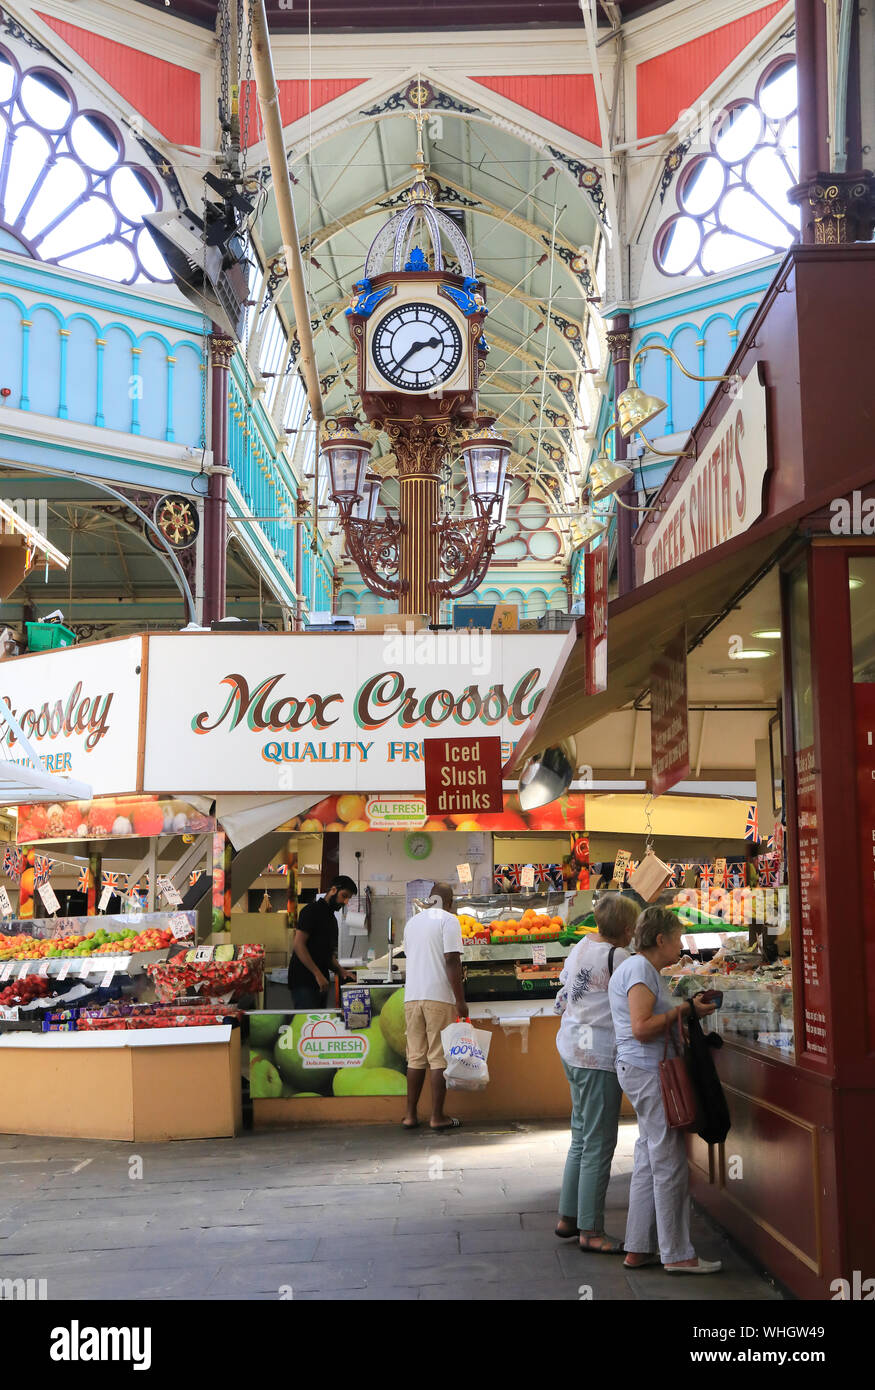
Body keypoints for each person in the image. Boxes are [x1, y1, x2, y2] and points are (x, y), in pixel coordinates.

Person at [608, 905, 721, 1274]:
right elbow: (642, 1027)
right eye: (676, 938)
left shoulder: (636, 968)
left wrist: (684, 1012)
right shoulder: (640, 969)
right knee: (669, 1161)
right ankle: (677, 1254)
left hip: (638, 1068)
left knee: (647, 1158)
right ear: (660, 939)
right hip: (646, 1069)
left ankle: (639, 1246)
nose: (680, 945)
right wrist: (685, 1010)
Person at [554, 892, 639, 1252]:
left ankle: (568, 1217)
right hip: (597, 1057)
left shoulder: (583, 944)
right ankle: (591, 1231)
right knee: (600, 1143)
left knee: (581, 1135)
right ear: (625, 927)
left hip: (572, 1048)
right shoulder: (619, 956)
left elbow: (565, 983)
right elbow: (640, 992)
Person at [401, 882, 468, 1132]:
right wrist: (460, 1001)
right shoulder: (449, 920)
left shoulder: (412, 923)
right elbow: (452, 960)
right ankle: (437, 1116)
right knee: (438, 1057)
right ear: (449, 902)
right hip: (438, 996)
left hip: (411, 997)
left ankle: (409, 1115)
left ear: (430, 899)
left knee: (416, 1057)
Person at [288, 874, 358, 1009]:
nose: (345, 902)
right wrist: (317, 974)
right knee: (306, 1025)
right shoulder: (311, 911)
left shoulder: (332, 920)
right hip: (304, 980)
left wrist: (342, 971)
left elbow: (328, 954)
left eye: (348, 898)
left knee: (318, 1024)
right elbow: (298, 944)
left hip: (321, 981)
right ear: (333, 890)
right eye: (344, 896)